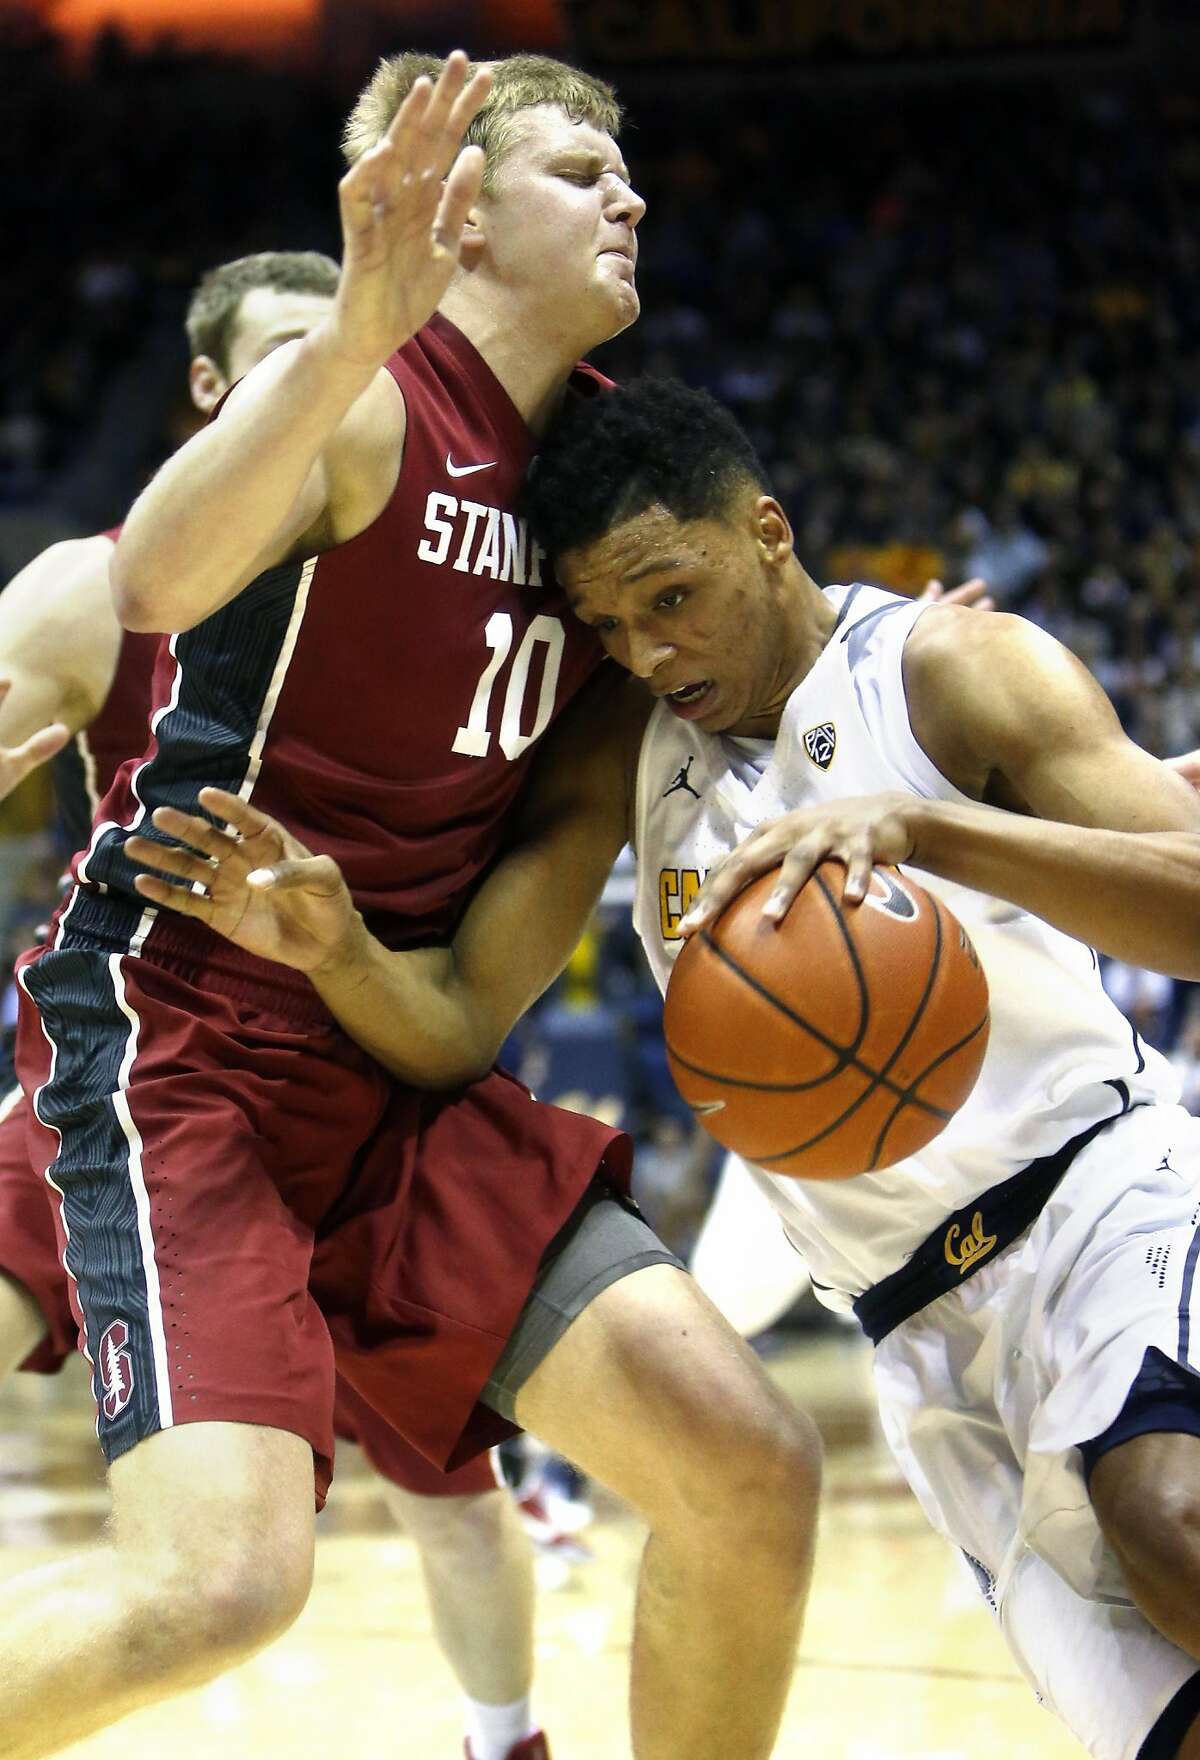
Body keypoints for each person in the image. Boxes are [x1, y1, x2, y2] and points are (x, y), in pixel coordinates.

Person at [136, 375, 1200, 1760]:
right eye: (608, 624)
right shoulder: (629, 750)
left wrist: (934, 835)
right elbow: (459, 1024)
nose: (646, 648)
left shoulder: (949, 673)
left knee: (1168, 1513)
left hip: (1104, 1205)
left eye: (671, 596)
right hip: (916, 1328)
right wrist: (335, 948)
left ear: (765, 529)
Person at [6, 57, 819, 1760]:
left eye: (630, 169)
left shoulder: (601, 479)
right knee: (221, 1591)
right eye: (587, 168)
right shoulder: (365, 400)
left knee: (749, 1465)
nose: (635, 199)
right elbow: (158, 576)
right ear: (459, 211)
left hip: (398, 1053)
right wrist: (349, 336)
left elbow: (483, 982)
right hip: (185, 1047)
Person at [0, 247, 555, 1760]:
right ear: (210, 393)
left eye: (361, 355)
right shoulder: (97, 586)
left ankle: (508, 1739)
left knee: (451, 1488)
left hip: (362, 1085)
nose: (342, 384)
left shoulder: (427, 589)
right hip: (151, 1054)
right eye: (294, 360)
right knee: (213, 1567)